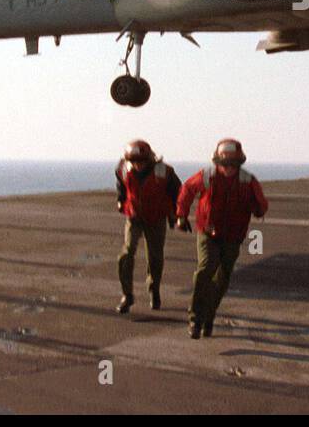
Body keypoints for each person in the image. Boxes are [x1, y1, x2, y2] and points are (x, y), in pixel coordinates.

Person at [175, 138, 268, 339]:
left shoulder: (247, 181)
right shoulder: (207, 176)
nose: (228, 169)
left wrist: (259, 209)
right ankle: (195, 318)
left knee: (223, 276)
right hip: (208, 232)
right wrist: (181, 216)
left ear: (239, 164)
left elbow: (260, 203)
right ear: (217, 162)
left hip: (233, 236)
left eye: (232, 165)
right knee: (205, 268)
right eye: (224, 164)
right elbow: (187, 190)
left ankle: (209, 317)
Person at [114, 139, 182, 315]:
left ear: (149, 159)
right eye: (133, 162)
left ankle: (154, 289)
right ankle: (127, 295)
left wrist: (176, 215)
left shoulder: (165, 172)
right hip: (134, 217)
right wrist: (121, 201)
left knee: (155, 256)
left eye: (140, 162)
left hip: (156, 218)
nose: (137, 165)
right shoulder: (122, 168)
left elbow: (178, 193)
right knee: (127, 253)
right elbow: (121, 186)